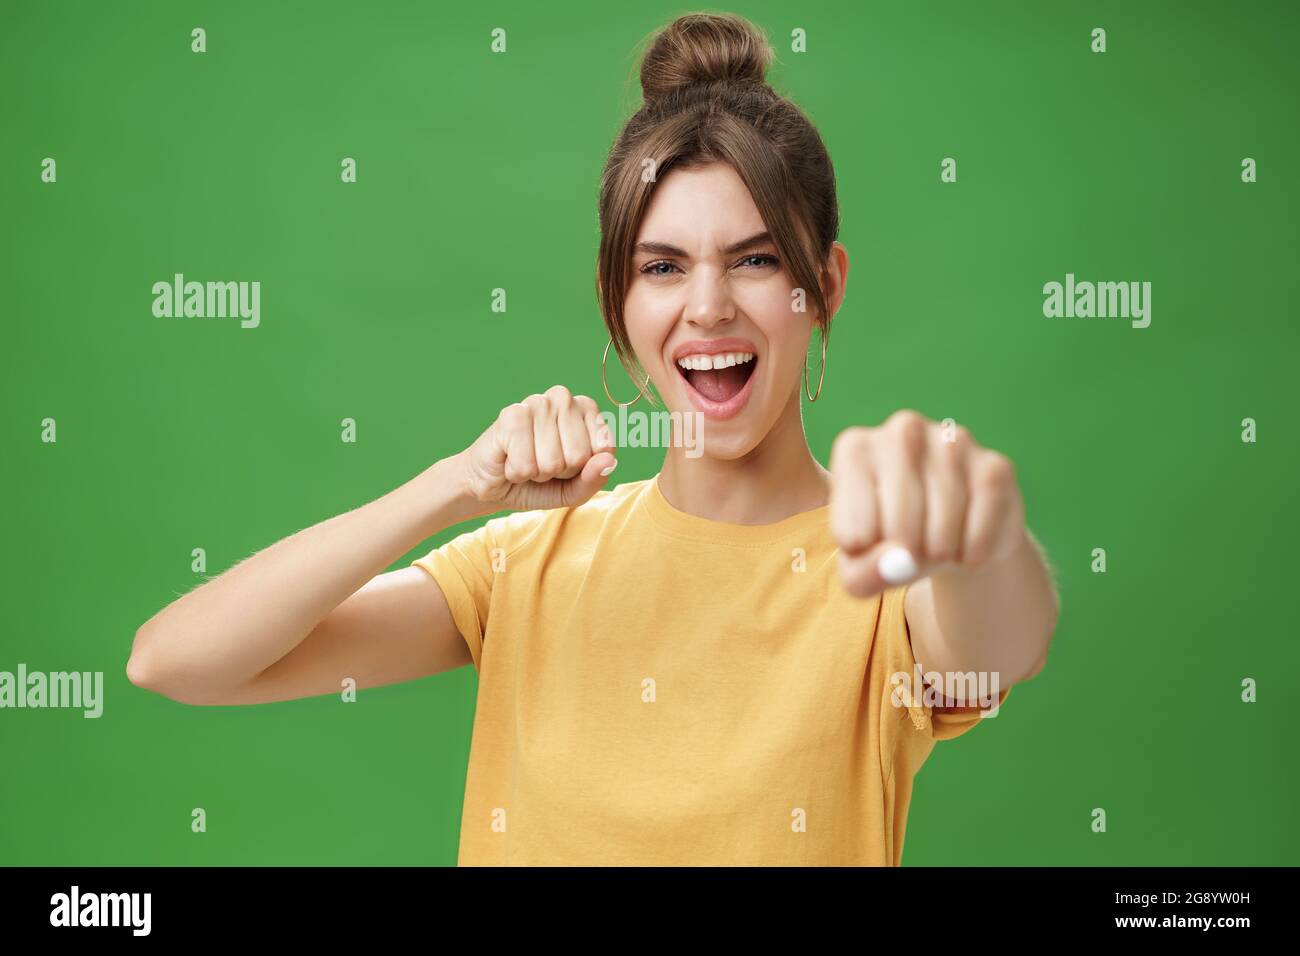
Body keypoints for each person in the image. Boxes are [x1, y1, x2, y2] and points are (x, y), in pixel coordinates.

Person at [128, 12, 1059, 866]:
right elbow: (176, 662)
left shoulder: (885, 573)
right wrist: (452, 486)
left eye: (757, 260)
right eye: (663, 267)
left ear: (825, 284)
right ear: (619, 302)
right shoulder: (526, 565)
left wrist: (976, 538)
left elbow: (1001, 646)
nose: (707, 307)